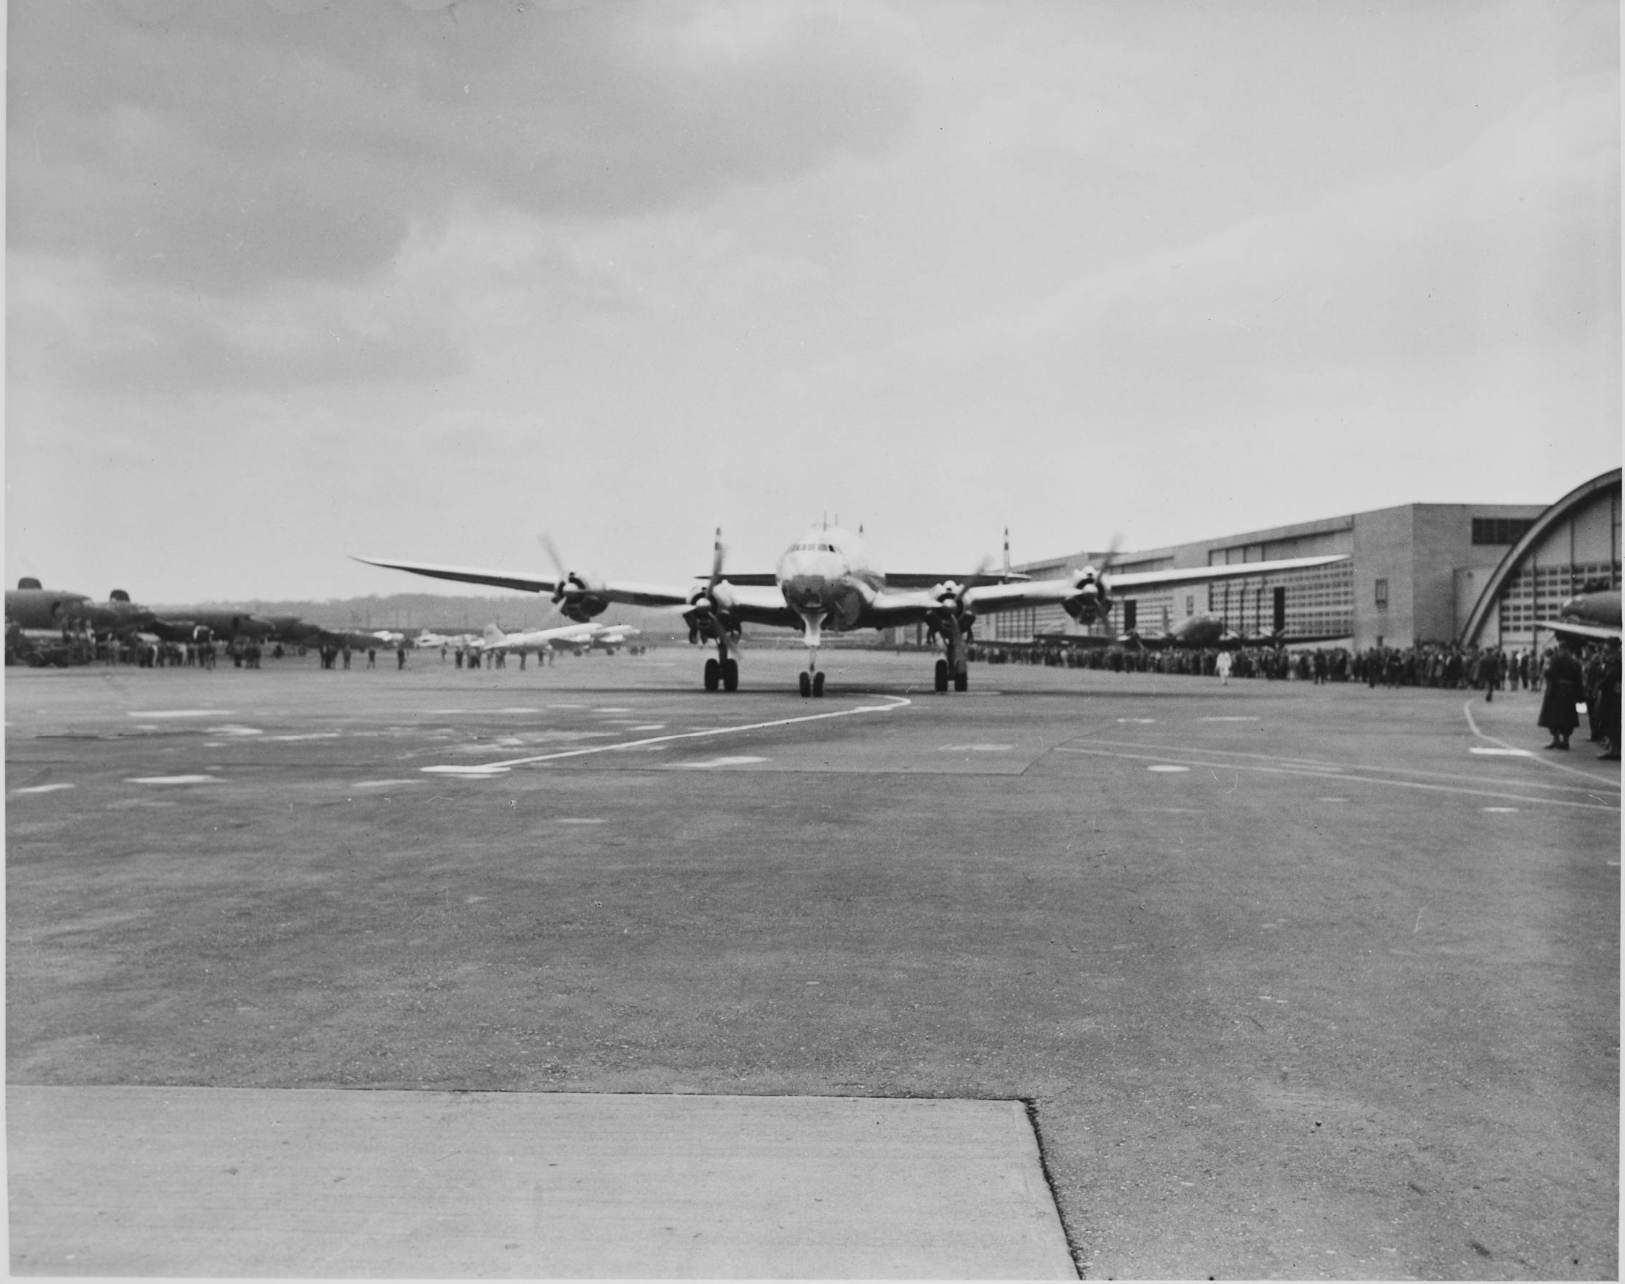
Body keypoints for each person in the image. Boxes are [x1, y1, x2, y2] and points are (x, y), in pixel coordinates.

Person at [1537, 640, 1584, 751]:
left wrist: (1545, 671)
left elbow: (1550, 673)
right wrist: (1580, 695)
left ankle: (1556, 740)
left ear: (1560, 648)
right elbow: (1579, 680)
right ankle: (1566, 741)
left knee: (1553, 716)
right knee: (1567, 717)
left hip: (1556, 691)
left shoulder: (1556, 660)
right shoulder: (1575, 662)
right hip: (1569, 693)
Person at [1597, 638, 1621, 761]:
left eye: (1606, 644)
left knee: (1612, 721)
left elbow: (1611, 676)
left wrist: (1601, 683)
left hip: (1613, 695)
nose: (1604, 647)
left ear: (1611, 646)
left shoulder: (1614, 659)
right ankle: (1614, 748)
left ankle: (1615, 750)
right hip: (1615, 694)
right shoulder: (1617, 657)